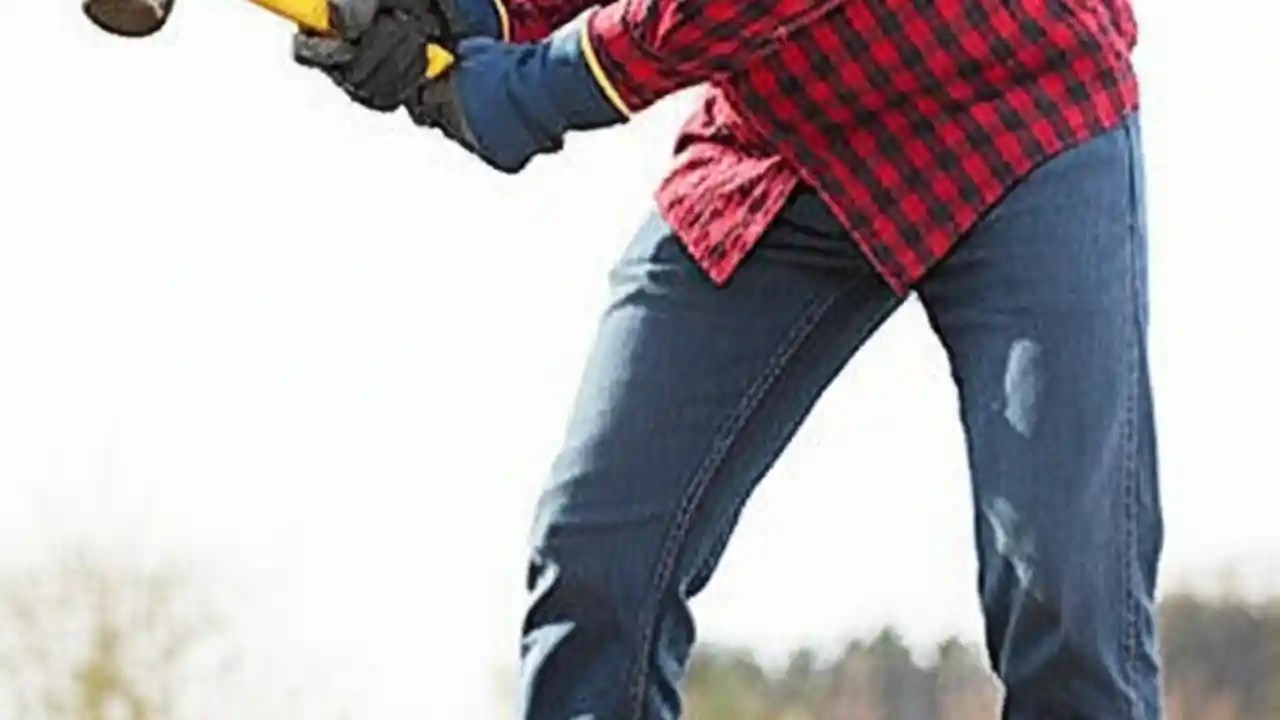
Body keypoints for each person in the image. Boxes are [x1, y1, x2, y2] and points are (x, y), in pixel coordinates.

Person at [294, 0, 1163, 716]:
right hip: (788, 137)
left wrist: (525, 89)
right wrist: (466, 13)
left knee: (1063, 592)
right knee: (598, 558)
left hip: (1022, 110)